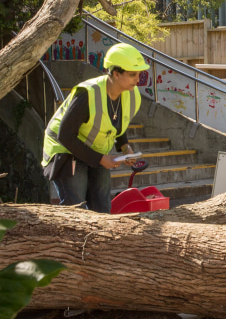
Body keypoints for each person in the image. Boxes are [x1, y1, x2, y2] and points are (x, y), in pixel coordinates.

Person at [42, 43, 148, 212]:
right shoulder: (88, 93)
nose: (138, 79)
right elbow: (65, 135)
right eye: (132, 74)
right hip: (65, 149)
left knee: (102, 207)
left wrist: (125, 147)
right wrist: (101, 159)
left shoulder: (131, 94)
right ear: (116, 73)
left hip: (95, 150)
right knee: (76, 208)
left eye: (139, 74)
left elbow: (116, 122)